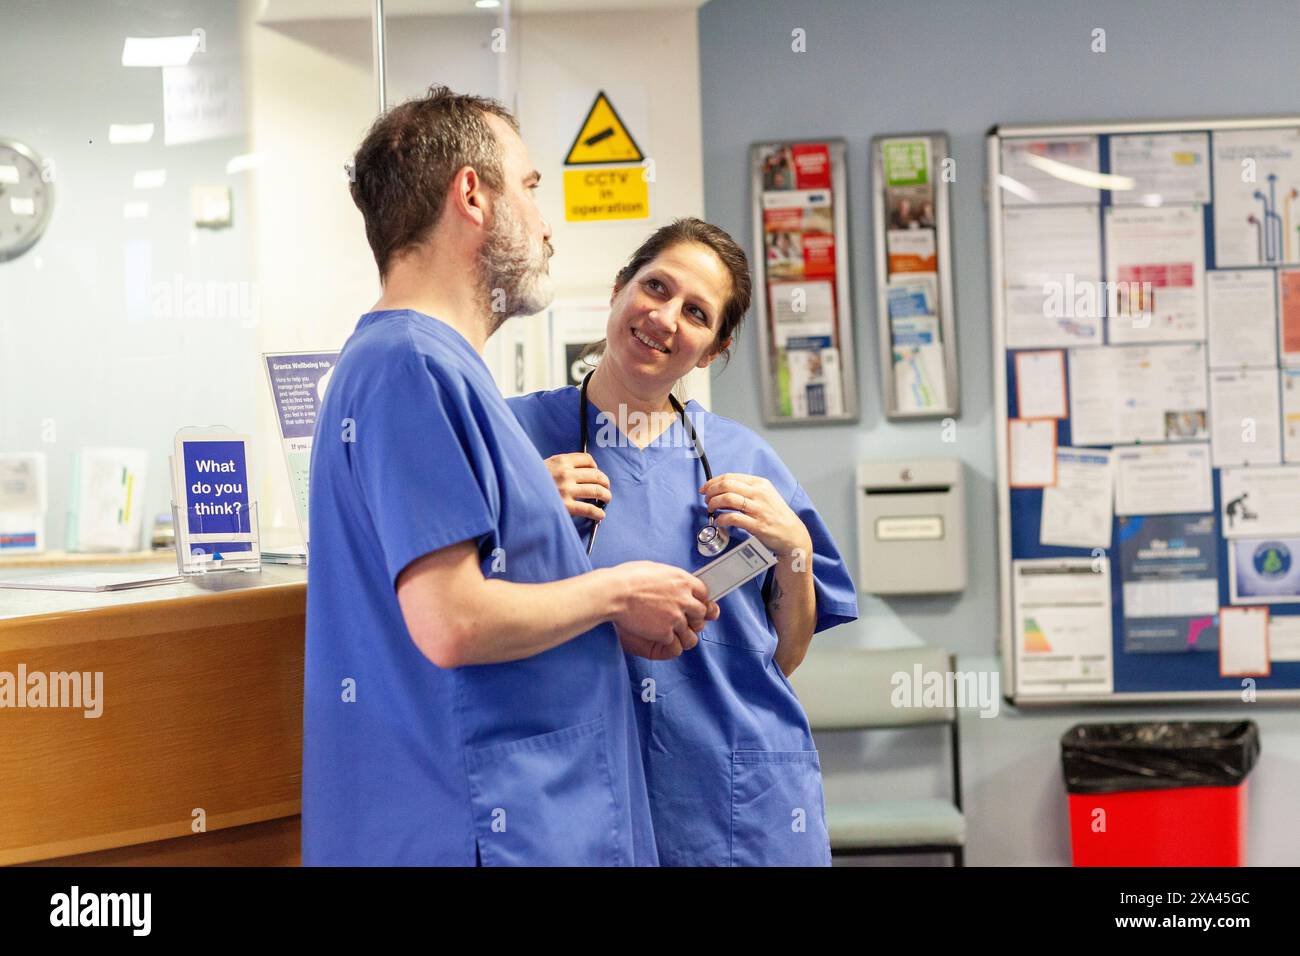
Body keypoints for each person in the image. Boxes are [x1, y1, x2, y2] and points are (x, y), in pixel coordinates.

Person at [302, 88, 718, 866]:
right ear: (472, 195)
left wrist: (598, 614)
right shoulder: (409, 366)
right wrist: (618, 592)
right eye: (530, 188)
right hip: (480, 828)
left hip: (525, 818)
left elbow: (491, 596)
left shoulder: (442, 372)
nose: (547, 224)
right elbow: (452, 620)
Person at [508, 219, 859, 866]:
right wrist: (521, 510)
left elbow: (786, 655)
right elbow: (452, 610)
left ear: (711, 351)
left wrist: (792, 552)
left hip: (733, 804)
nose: (665, 318)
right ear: (618, 291)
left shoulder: (744, 458)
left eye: (695, 312)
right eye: (655, 287)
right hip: (576, 792)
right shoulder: (513, 438)